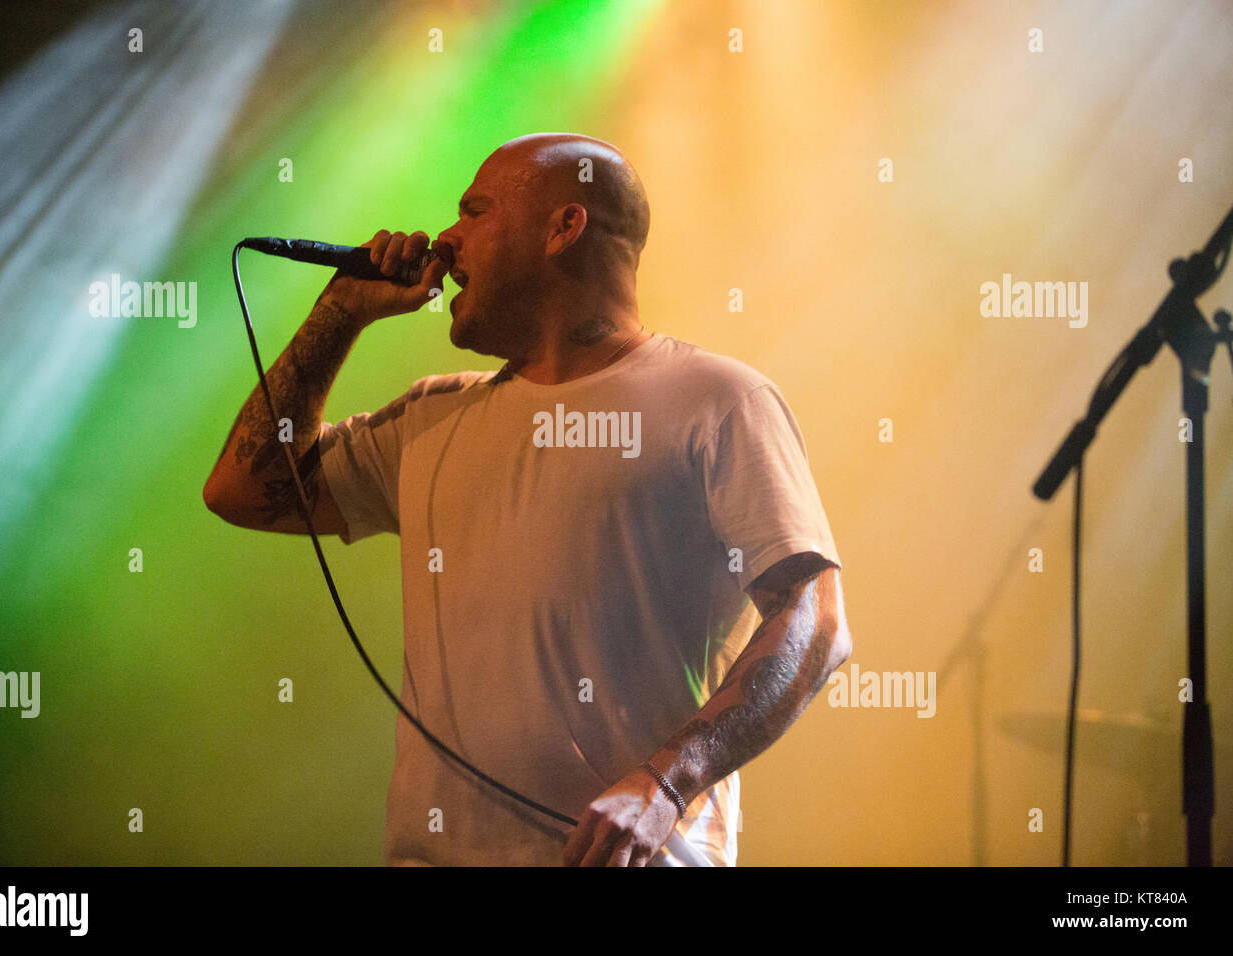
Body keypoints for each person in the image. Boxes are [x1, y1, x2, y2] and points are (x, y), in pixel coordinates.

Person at [203, 132, 851, 866]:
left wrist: (666, 784)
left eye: (474, 211)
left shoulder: (715, 399)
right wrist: (340, 311)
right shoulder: (430, 416)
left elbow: (816, 621)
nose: (444, 240)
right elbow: (242, 489)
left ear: (562, 227)